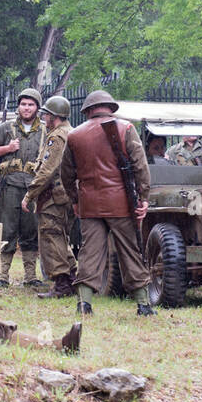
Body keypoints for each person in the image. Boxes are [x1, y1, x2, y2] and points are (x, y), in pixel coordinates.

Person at [60, 89, 154, 317]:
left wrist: (75, 200)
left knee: (89, 253)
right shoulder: (127, 129)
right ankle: (143, 304)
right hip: (121, 203)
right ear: (110, 108)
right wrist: (143, 198)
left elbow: (66, 174)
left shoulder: (74, 135)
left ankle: (84, 304)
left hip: (89, 204)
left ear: (88, 110)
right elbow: (141, 167)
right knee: (130, 250)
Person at [0, 87, 44, 287]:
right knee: (7, 230)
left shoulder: (44, 130)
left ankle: (30, 276)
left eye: (31, 104)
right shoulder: (6, 128)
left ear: (37, 107)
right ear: (18, 107)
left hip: (33, 188)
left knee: (30, 230)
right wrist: (8, 148)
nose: (26, 108)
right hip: (9, 187)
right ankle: (2, 276)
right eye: (23, 104)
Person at [21, 96, 77, 298]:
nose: (43, 117)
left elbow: (47, 170)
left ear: (54, 116)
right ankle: (71, 278)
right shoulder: (71, 132)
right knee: (61, 237)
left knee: (51, 237)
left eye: (46, 114)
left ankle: (62, 284)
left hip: (54, 196)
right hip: (65, 195)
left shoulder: (57, 137)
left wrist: (29, 195)